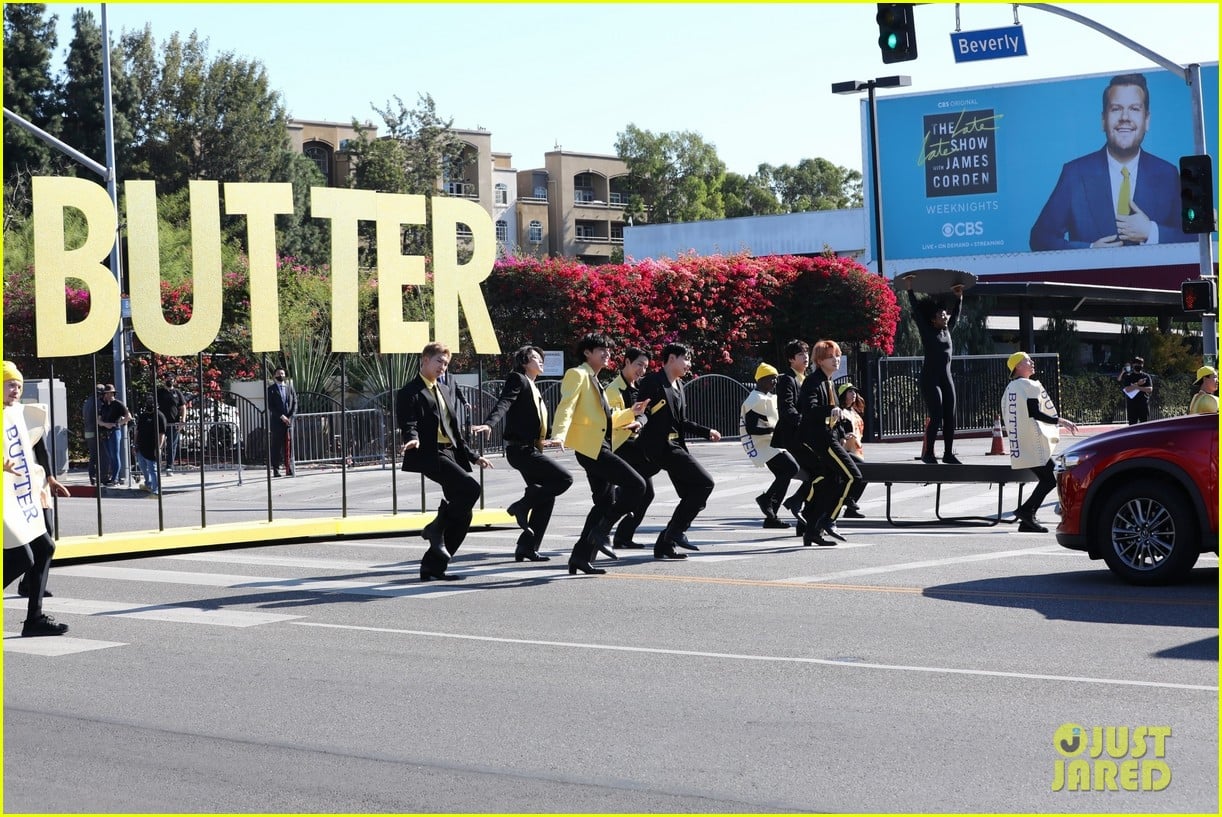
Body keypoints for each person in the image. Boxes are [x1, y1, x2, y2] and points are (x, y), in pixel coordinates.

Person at [1030, 73, 1190, 251]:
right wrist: (1089, 251)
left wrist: (1151, 232)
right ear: (1103, 120)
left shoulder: (1167, 173)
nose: (1125, 117)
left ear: (1147, 121)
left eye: (1135, 109)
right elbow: (1040, 238)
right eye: (1116, 109)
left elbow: (1193, 239)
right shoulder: (1075, 173)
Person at [549, 333, 648, 575]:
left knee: (605, 502)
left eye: (609, 351)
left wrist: (630, 413)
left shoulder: (596, 380)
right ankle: (602, 531)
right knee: (637, 485)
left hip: (599, 445)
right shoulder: (578, 375)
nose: (607, 354)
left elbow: (605, 420)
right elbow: (566, 406)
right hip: (591, 449)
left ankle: (580, 557)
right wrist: (559, 434)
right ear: (587, 352)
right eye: (601, 349)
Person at [397, 342, 493, 581]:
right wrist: (412, 439)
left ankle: (433, 567)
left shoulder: (445, 389)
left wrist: (473, 455)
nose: (443, 367)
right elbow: (407, 421)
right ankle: (436, 527)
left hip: (450, 452)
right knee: (471, 488)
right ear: (425, 360)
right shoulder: (410, 391)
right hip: (429, 453)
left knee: (465, 516)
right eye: (439, 361)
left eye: (446, 363)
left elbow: (454, 429)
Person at [479, 345, 572, 562]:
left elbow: (532, 420)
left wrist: (547, 441)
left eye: (542, 358)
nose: (541, 361)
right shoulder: (517, 379)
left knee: (546, 498)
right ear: (524, 362)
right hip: (520, 450)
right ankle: (521, 506)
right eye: (535, 358)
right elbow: (504, 403)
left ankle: (527, 547)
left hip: (531, 447)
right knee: (564, 478)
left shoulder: (534, 385)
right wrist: (489, 423)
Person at [637, 343, 722, 559]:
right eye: (686, 359)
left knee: (692, 496)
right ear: (672, 358)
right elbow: (642, 410)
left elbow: (680, 421)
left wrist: (706, 431)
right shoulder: (653, 381)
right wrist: (638, 422)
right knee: (705, 483)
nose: (689, 364)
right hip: (661, 447)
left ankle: (665, 543)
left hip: (676, 446)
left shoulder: (679, 385)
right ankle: (676, 531)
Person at [3, 361, 69, 637]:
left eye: (18, 384)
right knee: (22, 558)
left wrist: (50, 478)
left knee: (44, 548)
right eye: (9, 384)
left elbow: (39, 445)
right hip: (4, 501)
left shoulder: (19, 413)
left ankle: (35, 620)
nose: (15, 389)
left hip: (21, 496)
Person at [1002, 352, 1078, 533]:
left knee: (1048, 479)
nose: (1032, 362)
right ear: (1018, 366)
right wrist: (1061, 420)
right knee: (1050, 479)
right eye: (1028, 360)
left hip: (1022, 443)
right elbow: (1034, 413)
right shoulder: (1029, 385)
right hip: (1033, 444)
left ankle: (1026, 518)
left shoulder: (1011, 388)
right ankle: (1026, 512)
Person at [795, 340, 861, 547]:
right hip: (821, 440)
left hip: (829, 437)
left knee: (832, 483)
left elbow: (836, 415)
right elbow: (809, 410)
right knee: (853, 476)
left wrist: (846, 430)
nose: (836, 359)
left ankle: (812, 531)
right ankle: (830, 519)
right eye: (831, 356)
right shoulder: (813, 381)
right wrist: (829, 411)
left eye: (838, 355)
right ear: (820, 360)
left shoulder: (829, 382)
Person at [906, 278, 965, 464]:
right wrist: (910, 289)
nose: (945, 317)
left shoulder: (947, 331)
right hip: (930, 379)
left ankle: (948, 454)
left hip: (946, 378)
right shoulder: (927, 331)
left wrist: (959, 297)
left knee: (950, 415)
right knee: (937, 415)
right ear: (933, 319)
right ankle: (928, 454)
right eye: (941, 315)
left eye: (945, 314)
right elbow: (916, 309)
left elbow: (956, 314)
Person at [604, 347, 656, 550]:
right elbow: (611, 420)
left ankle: (623, 537)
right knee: (642, 487)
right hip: (621, 446)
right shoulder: (612, 390)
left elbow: (646, 413)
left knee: (646, 492)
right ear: (626, 362)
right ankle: (617, 497)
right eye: (638, 365)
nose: (642, 370)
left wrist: (641, 422)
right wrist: (630, 418)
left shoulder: (640, 388)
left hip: (637, 444)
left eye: (645, 367)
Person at [740, 362, 798, 529]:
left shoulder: (769, 397)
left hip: (774, 442)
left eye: (775, 379)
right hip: (765, 445)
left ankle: (771, 516)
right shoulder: (754, 399)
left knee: (784, 476)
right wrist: (774, 428)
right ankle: (766, 501)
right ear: (760, 380)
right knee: (791, 468)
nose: (774, 382)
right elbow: (752, 428)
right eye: (771, 379)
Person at [773, 340, 810, 530]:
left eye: (806, 353)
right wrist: (806, 423)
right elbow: (787, 409)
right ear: (791, 359)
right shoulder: (787, 379)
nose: (805, 357)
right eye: (800, 354)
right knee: (818, 471)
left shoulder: (807, 379)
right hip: (792, 438)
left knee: (818, 472)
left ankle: (798, 507)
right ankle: (797, 506)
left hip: (805, 437)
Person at [833, 382, 868, 519]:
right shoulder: (839, 412)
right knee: (860, 475)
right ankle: (847, 501)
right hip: (845, 451)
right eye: (849, 391)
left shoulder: (854, 413)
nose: (853, 394)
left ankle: (850, 506)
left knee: (862, 476)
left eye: (854, 391)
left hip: (857, 451)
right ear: (842, 395)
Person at [96, 384, 131, 486]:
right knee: (110, 456)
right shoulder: (104, 406)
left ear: (113, 393)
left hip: (115, 431)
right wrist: (105, 424)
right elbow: (99, 420)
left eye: (109, 393)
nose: (107, 395)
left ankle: (115, 478)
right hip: (105, 432)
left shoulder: (118, 404)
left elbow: (128, 416)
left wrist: (117, 424)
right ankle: (112, 477)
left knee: (115, 456)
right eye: (106, 393)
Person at [266, 367, 298, 477]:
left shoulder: (290, 388)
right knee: (276, 446)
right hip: (277, 422)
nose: (281, 375)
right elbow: (271, 406)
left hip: (289, 422)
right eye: (279, 373)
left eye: (283, 373)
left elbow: (294, 402)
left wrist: (291, 416)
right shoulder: (271, 389)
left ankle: (289, 468)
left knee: (289, 446)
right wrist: (281, 416)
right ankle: (276, 469)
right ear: (275, 376)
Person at [134, 399, 168, 496]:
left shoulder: (160, 416)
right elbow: (138, 431)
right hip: (141, 446)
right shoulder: (143, 416)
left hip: (152, 447)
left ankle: (156, 490)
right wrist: (135, 444)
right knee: (142, 466)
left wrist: (158, 448)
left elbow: (162, 434)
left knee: (153, 469)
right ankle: (148, 484)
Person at [156, 375, 186, 475]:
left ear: (174, 380)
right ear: (164, 380)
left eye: (171, 379)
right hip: (161, 423)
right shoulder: (159, 392)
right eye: (168, 379)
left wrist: (183, 420)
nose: (170, 381)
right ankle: (156, 465)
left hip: (174, 424)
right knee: (158, 444)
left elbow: (183, 407)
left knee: (171, 446)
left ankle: (169, 467)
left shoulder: (177, 393)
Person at [1117, 356, 1154, 424]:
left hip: (1144, 404)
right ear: (1133, 365)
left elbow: (1150, 389)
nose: (1139, 365)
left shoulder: (1146, 376)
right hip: (1132, 405)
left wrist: (1136, 387)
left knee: (1145, 425)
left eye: (1141, 364)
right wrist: (1138, 384)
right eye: (1137, 363)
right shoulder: (1129, 376)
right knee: (1132, 425)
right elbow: (1127, 390)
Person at [82, 383, 103, 485]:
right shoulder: (98, 403)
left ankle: (92, 477)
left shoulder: (86, 402)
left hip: (87, 431)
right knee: (98, 455)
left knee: (92, 455)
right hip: (95, 431)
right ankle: (96, 476)